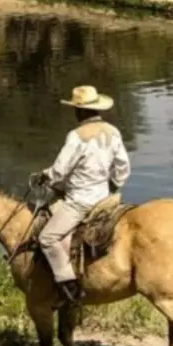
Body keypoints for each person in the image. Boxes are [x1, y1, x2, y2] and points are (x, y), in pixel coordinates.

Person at [31, 85, 131, 307]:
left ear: (79, 111)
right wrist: (114, 184)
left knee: (47, 238)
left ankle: (69, 286)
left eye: (75, 109)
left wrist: (45, 176)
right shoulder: (113, 132)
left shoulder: (76, 136)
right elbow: (123, 167)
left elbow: (59, 171)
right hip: (105, 199)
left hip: (80, 202)